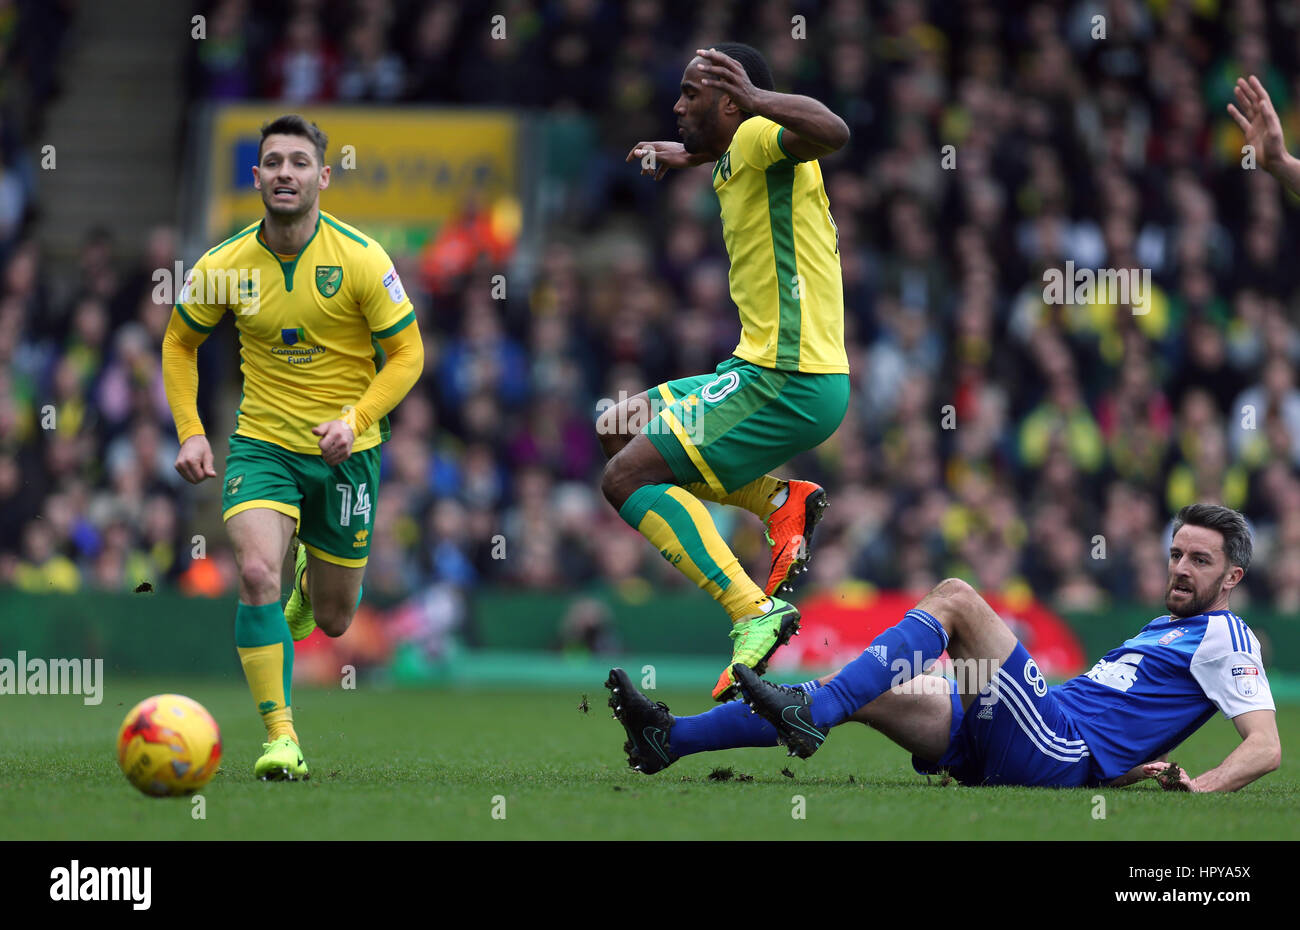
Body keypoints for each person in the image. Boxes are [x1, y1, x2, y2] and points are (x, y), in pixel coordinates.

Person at [608, 504, 1280, 791]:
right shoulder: (1169, 629)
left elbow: (1265, 746)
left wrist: (1203, 788)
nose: (1182, 568)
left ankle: (810, 715)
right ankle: (671, 740)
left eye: (1200, 560)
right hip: (1027, 739)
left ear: (1233, 577)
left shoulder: (1227, 635)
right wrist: (1135, 768)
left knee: (956, 596)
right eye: (1177, 554)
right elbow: (1133, 720)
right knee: (864, 691)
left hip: (1055, 748)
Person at [162, 115, 423, 780]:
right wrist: (191, 428)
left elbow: (408, 354)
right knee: (253, 576)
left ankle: (310, 582)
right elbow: (180, 342)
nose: (285, 172)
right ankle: (280, 736)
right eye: (273, 161)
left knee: (335, 621)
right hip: (263, 447)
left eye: (299, 162)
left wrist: (355, 417)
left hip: (347, 452)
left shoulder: (360, 257)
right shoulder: (225, 265)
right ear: (255, 177)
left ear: (322, 178)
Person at [596, 43, 851, 702]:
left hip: (786, 378)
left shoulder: (765, 134)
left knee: (624, 478)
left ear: (732, 100)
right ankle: (779, 503)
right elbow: (740, 149)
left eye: (690, 94)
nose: (676, 106)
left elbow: (834, 131)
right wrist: (696, 151)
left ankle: (751, 610)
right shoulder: (742, 153)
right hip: (765, 368)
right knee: (615, 428)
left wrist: (759, 103)